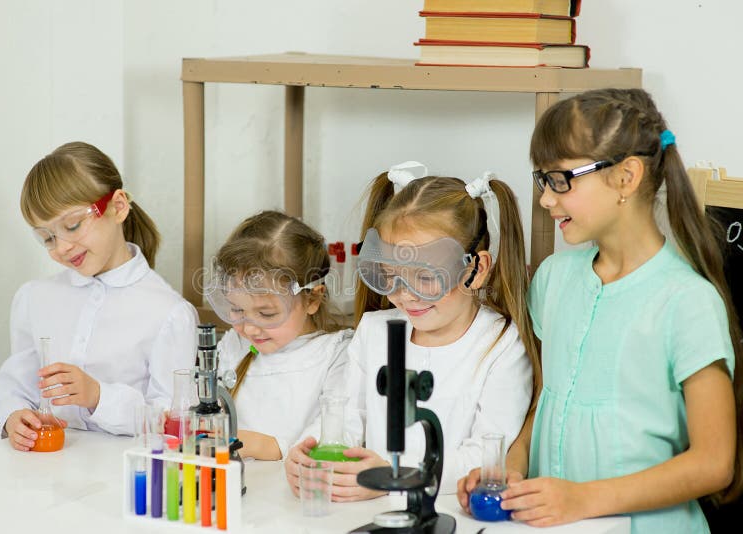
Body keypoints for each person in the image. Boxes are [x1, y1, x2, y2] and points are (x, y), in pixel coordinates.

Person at [458, 88, 743, 533]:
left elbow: (713, 463)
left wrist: (583, 499)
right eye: (542, 181)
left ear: (627, 177)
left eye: (561, 180)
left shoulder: (687, 302)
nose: (547, 200)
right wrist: (508, 473)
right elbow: (547, 402)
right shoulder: (554, 278)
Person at [285, 161, 541, 499]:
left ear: (476, 269)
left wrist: (389, 476)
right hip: (370, 511)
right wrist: (312, 448)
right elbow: (345, 415)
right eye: (390, 275)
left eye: (425, 277)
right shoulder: (375, 331)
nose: (405, 294)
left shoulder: (501, 345)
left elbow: (486, 455)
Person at [0, 141, 198, 450]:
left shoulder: (169, 313)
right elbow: (15, 387)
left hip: (122, 478)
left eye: (73, 226)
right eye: (46, 238)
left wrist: (100, 396)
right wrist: (13, 416)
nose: (61, 248)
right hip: (39, 474)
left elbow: (172, 420)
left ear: (118, 207)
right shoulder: (34, 298)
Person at [207, 210, 353, 460]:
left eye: (266, 313)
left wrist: (267, 446)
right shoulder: (234, 345)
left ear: (312, 299)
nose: (250, 328)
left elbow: (338, 432)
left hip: (296, 491)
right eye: (237, 309)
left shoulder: (337, 353)